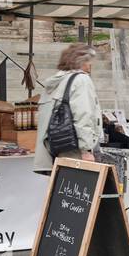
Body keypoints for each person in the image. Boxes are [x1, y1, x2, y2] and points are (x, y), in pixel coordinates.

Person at [34, 42, 103, 173]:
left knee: (63, 188)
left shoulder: (57, 81)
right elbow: (83, 116)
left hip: (58, 147)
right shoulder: (81, 80)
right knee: (82, 188)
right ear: (81, 61)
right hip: (76, 149)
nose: (91, 65)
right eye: (89, 61)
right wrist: (87, 150)